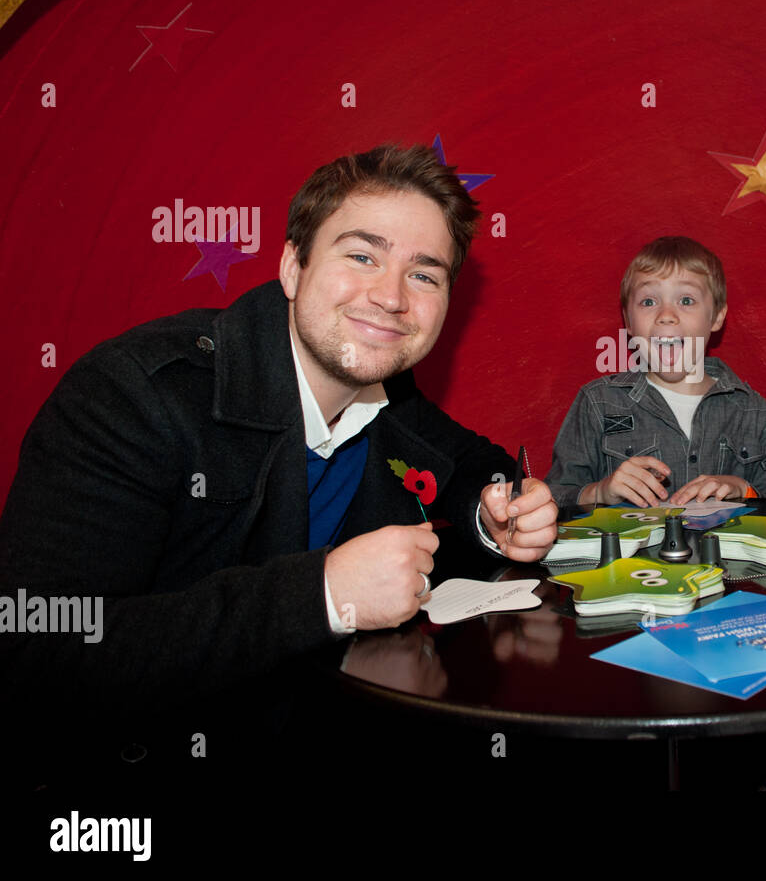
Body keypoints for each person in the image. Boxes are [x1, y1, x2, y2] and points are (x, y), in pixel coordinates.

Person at [0, 144, 558, 772]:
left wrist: (496, 516)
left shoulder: (390, 398)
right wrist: (321, 594)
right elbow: (36, 647)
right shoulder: (137, 394)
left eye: (424, 274)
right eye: (361, 255)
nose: (392, 296)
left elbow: (470, 465)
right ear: (293, 267)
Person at [545, 236, 766, 509]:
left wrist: (743, 489)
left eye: (686, 300)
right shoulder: (598, 402)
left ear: (717, 316)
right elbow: (553, 497)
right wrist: (600, 492)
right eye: (648, 302)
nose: (666, 315)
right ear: (628, 321)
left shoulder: (755, 412)